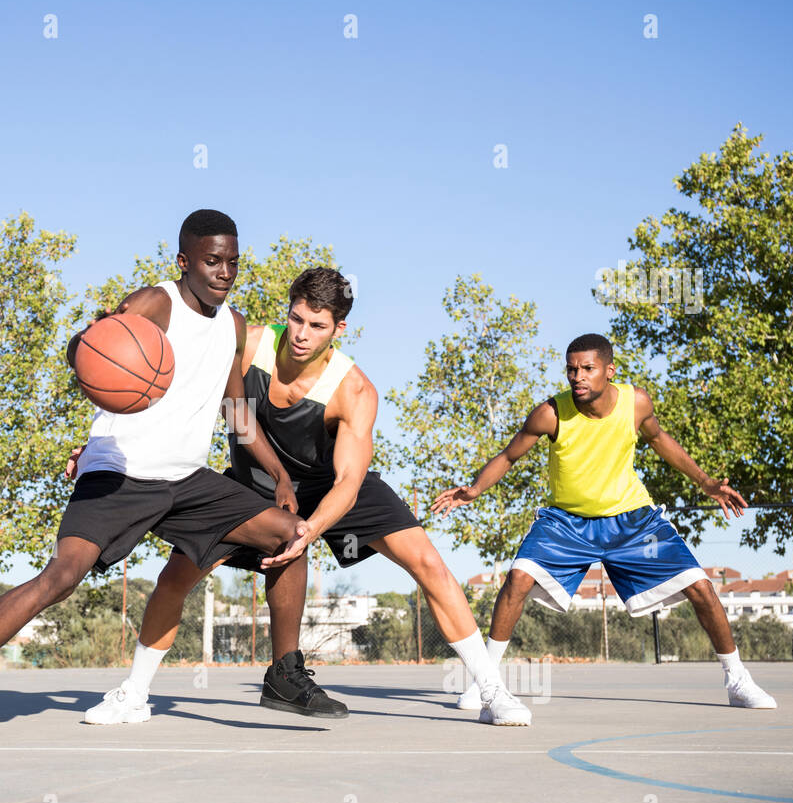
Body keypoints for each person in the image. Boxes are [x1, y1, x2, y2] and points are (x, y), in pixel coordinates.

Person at [0, 210, 313, 745]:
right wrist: (91, 342)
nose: (225, 272)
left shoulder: (233, 325)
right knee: (62, 577)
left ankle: (284, 674)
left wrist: (277, 472)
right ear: (184, 261)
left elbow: (235, 412)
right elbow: (86, 353)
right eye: (213, 261)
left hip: (185, 480)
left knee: (291, 533)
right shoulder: (154, 303)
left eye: (233, 262)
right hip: (119, 474)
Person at [83, 267, 532, 726]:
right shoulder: (248, 345)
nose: (301, 334)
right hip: (253, 485)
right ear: (289, 311)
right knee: (175, 578)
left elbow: (348, 484)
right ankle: (133, 694)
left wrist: (312, 528)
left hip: (330, 486)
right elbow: (161, 386)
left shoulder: (353, 390)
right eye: (296, 319)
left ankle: (492, 691)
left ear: (339, 328)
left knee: (428, 563)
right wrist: (106, 443)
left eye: (317, 326)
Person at [432, 332, 776, 710]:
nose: (577, 377)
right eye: (571, 370)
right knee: (518, 577)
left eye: (587, 369)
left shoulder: (635, 403)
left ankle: (738, 680)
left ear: (609, 370)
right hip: (567, 522)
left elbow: (659, 439)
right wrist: (475, 488)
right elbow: (509, 455)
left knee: (701, 587)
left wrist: (706, 483)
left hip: (632, 522)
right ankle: (488, 682)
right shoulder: (551, 413)